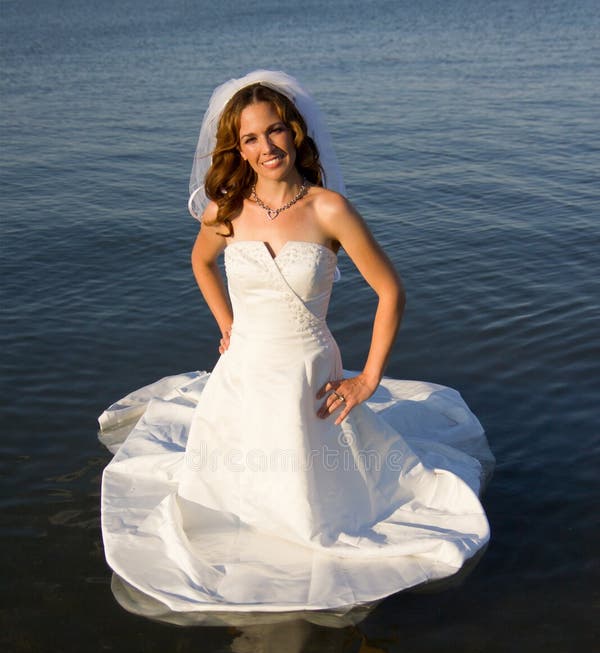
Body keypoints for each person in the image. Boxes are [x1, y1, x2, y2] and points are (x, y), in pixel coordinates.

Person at [99, 70, 493, 617]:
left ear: (296, 133)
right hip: (242, 371)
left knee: (316, 505)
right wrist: (228, 324)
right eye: (251, 138)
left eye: (275, 131)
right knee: (228, 501)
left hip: (308, 375)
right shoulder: (227, 207)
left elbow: (391, 292)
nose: (266, 147)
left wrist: (368, 378)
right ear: (238, 148)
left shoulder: (328, 209)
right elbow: (200, 261)